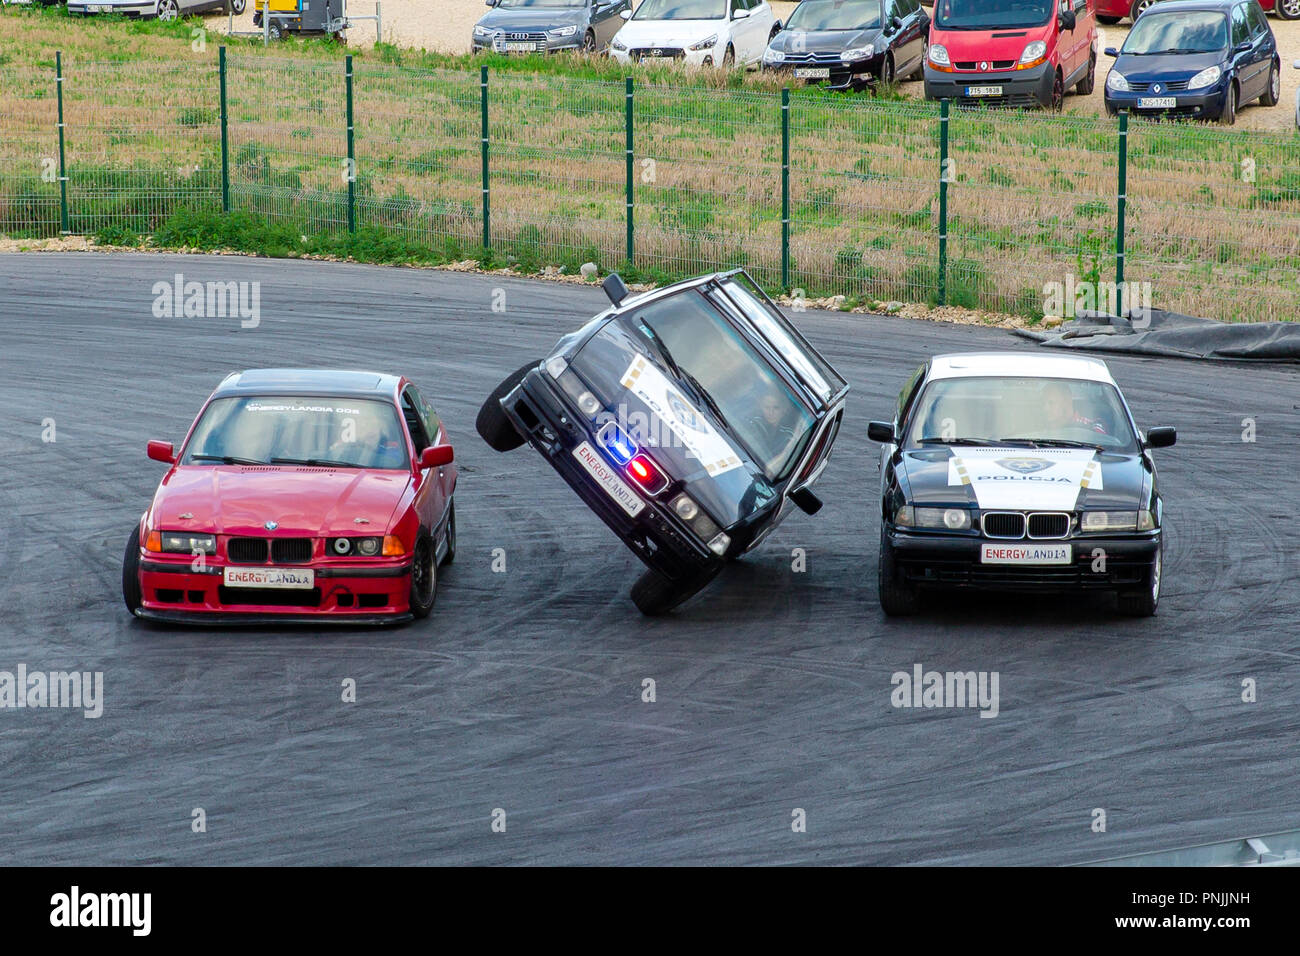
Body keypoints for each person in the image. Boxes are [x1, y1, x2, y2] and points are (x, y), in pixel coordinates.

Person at [1041, 381, 1108, 436]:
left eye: (1051, 403)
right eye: (1043, 403)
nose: (1045, 408)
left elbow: (1102, 446)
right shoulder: (1039, 431)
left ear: (1067, 400)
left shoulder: (1092, 428)